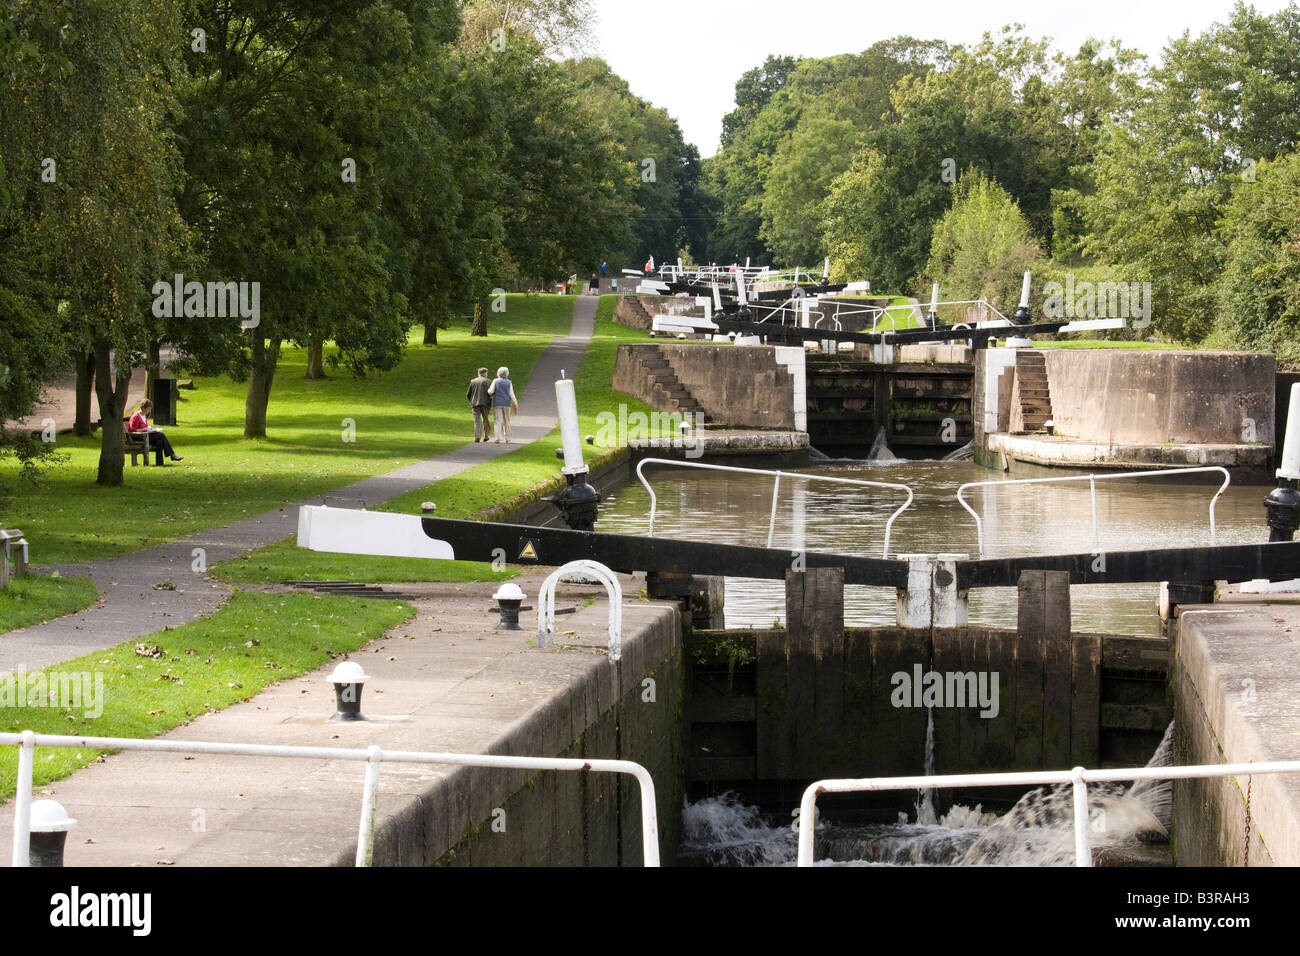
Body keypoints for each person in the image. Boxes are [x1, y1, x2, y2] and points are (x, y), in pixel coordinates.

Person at [127, 399, 183, 464]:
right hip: (139, 437)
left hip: (146, 435)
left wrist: (150, 429)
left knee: (159, 441)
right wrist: (145, 429)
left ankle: (160, 464)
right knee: (161, 435)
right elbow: (132, 430)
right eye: (148, 409)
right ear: (143, 408)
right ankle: (173, 455)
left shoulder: (144, 415)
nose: (149, 411)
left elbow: (144, 426)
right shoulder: (135, 416)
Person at [487, 366, 518, 443]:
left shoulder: (495, 381)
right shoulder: (509, 382)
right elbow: (512, 394)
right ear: (507, 374)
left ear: (498, 373)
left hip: (497, 403)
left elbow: (490, 391)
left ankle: (498, 438)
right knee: (507, 420)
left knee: (498, 420)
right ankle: (508, 438)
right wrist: (515, 403)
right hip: (507, 403)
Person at [466, 367, 493, 442]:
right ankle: (486, 435)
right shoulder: (488, 381)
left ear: (478, 373)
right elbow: (491, 392)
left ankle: (477, 436)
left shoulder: (473, 381)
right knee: (486, 419)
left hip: (475, 404)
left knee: (477, 420)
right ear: (485, 373)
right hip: (485, 403)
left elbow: (468, 394)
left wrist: (471, 401)